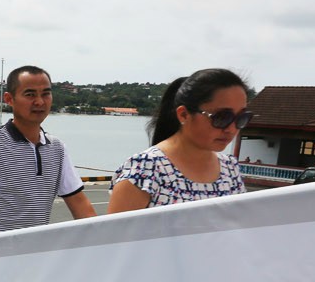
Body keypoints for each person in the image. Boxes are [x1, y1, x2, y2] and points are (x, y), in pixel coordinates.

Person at [0, 65, 96, 239]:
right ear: (9, 99)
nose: (39, 102)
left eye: (46, 94)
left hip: (32, 257)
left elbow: (79, 203)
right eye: (30, 94)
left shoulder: (58, 149)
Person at [108, 69, 251, 213]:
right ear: (183, 115)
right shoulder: (145, 170)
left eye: (241, 118)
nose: (231, 129)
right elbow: (114, 233)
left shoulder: (230, 169)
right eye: (222, 117)